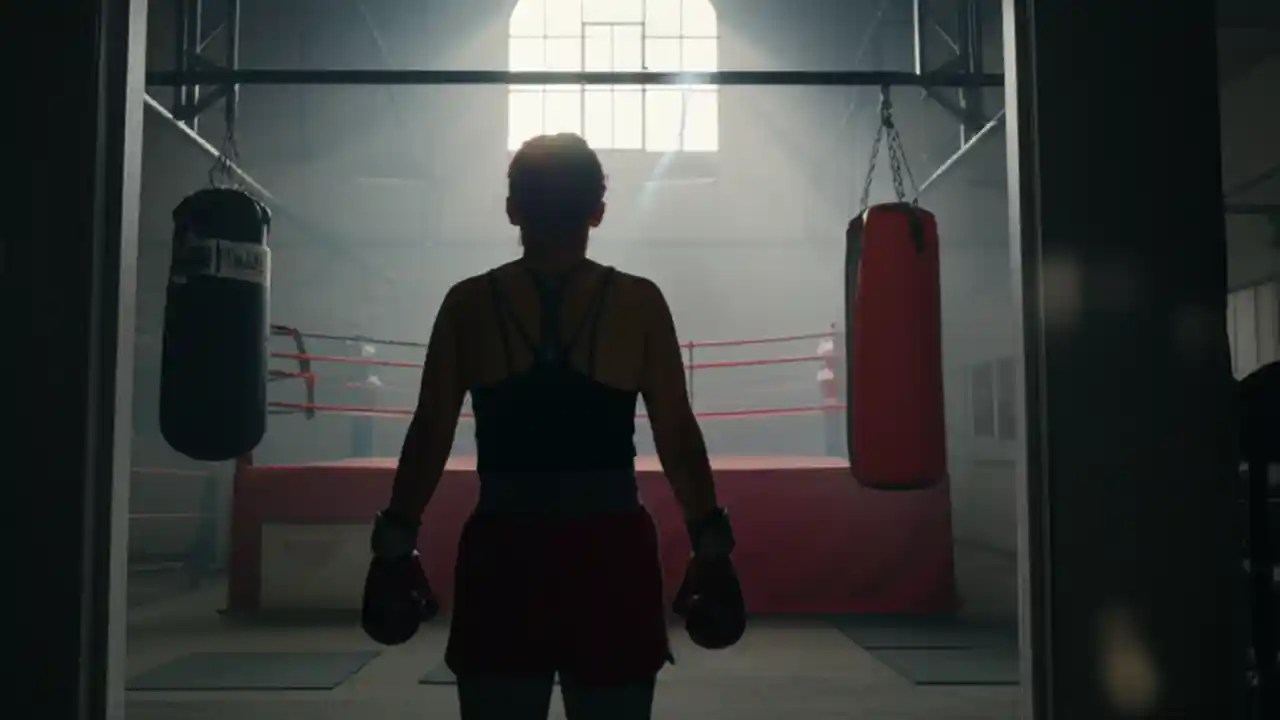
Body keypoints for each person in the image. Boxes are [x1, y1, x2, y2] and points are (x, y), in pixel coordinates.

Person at [366, 133, 739, 719]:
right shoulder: (638, 304)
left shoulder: (468, 306)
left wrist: (394, 545)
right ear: (598, 211)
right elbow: (677, 435)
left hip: (505, 553)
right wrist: (711, 547)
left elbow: (430, 432)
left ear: (512, 209)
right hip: (610, 553)